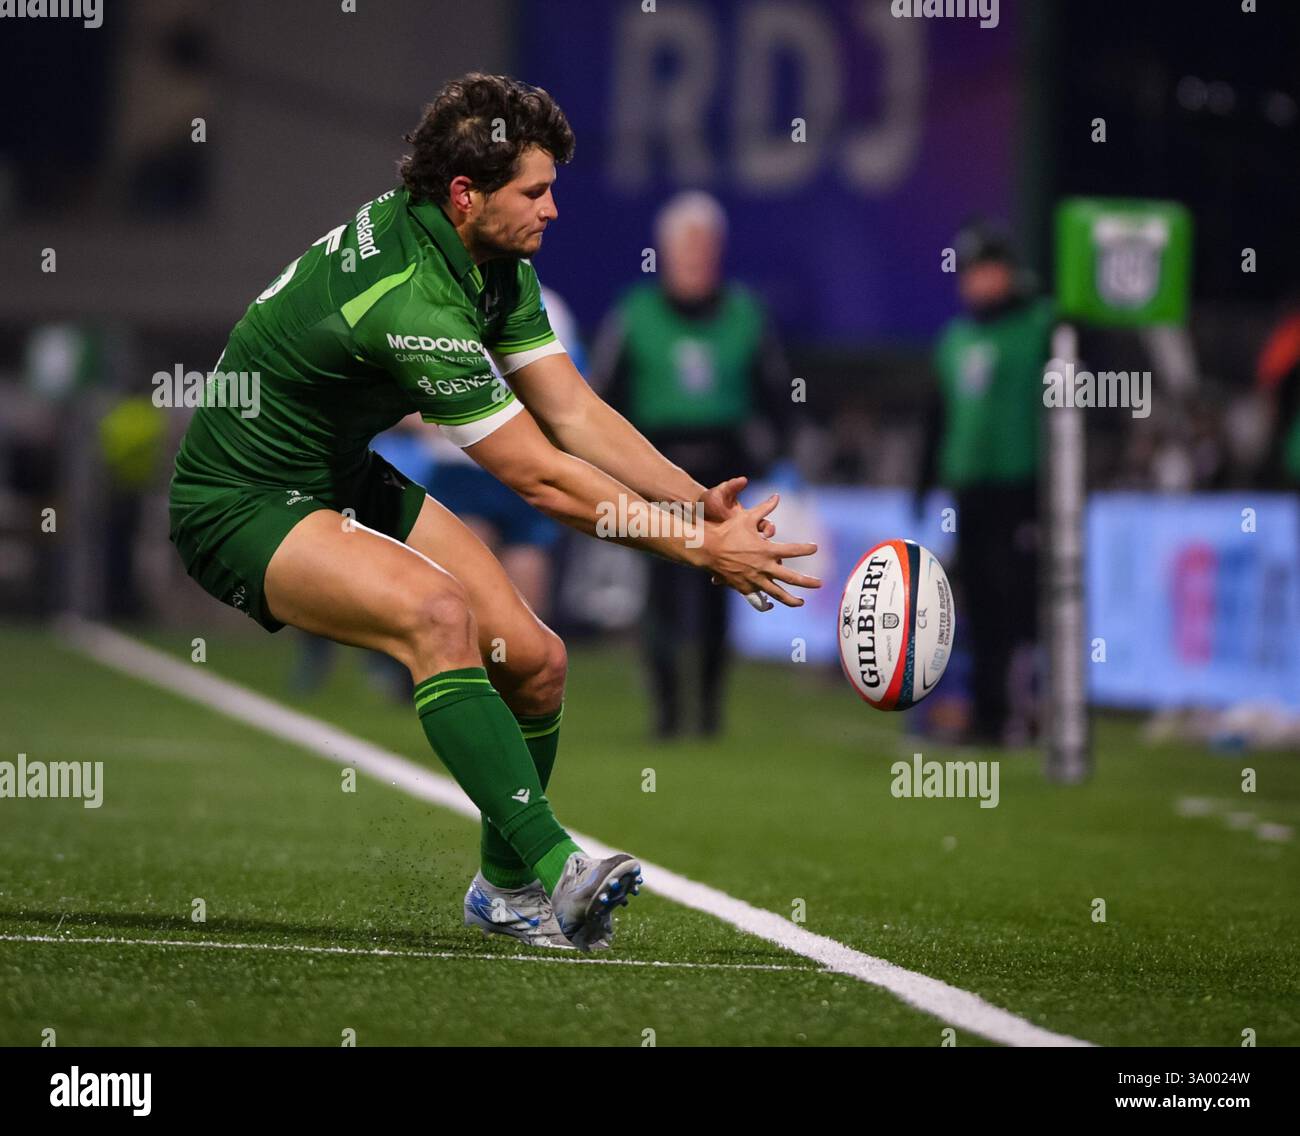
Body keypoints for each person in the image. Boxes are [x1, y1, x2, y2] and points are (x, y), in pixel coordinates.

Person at [168, 73, 820, 952]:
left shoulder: (485, 255)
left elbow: (576, 414)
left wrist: (695, 501)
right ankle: (560, 869)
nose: (553, 210)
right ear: (468, 194)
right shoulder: (415, 300)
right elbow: (542, 480)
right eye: (537, 192)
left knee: (539, 662)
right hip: (239, 499)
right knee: (438, 616)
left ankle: (504, 893)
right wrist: (700, 551)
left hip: (336, 471)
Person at [591, 191, 797, 738]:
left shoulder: (746, 313)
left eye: (704, 248)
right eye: (685, 248)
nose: (694, 259)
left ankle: (707, 714)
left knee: (721, 588)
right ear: (665, 252)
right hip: (656, 466)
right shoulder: (634, 313)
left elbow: (778, 393)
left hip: (724, 470)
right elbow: (601, 398)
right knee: (659, 590)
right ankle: (666, 714)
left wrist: (775, 455)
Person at [916, 219, 1053, 746]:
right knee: (980, 606)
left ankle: (1025, 712)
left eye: (986, 271)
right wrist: (923, 481)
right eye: (970, 273)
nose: (976, 282)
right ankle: (988, 714)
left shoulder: (1041, 325)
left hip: (1023, 489)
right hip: (968, 491)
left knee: (1020, 601)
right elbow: (937, 416)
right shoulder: (957, 338)